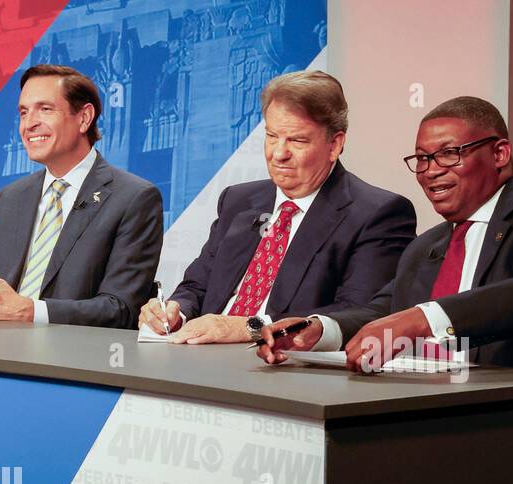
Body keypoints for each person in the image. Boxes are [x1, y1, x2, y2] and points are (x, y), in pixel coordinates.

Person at [259, 96, 513, 484]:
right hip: (433, 433)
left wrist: (426, 318)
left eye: (449, 154)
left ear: (500, 154)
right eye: (422, 159)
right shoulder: (425, 246)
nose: (431, 170)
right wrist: (318, 329)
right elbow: (383, 310)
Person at [140, 70, 415, 345]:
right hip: (200, 357)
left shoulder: (378, 214)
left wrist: (251, 327)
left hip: (286, 369)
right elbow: (197, 286)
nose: (278, 153)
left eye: (297, 140)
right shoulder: (237, 200)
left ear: (334, 145)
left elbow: (360, 314)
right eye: (272, 136)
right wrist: (176, 312)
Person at [0, 64, 162, 329]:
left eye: (45, 109)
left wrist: (30, 312)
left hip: (74, 360)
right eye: (24, 112)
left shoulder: (134, 198)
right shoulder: (11, 198)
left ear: (84, 118)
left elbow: (120, 309)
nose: (29, 124)